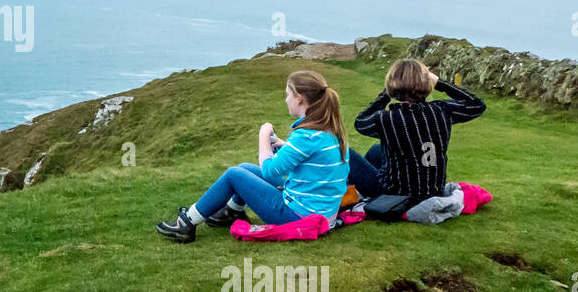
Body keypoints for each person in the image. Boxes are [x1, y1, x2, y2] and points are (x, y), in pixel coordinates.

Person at [156, 71, 350, 243]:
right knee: (245, 168)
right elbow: (311, 164)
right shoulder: (329, 130)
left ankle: (186, 223)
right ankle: (233, 211)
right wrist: (284, 146)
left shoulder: (306, 135)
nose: (285, 100)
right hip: (323, 215)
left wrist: (263, 136)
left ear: (299, 98)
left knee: (234, 174)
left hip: (299, 217)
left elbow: (268, 169)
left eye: (287, 94)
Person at [346, 59, 486, 212]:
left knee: (346, 153)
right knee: (376, 150)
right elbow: (476, 105)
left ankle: (354, 192)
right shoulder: (442, 110)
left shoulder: (386, 119)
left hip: (394, 195)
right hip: (433, 191)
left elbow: (360, 122)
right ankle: (356, 190)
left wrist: (387, 94)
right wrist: (439, 82)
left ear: (393, 85)